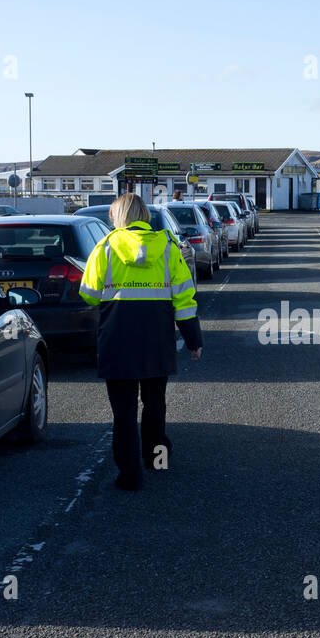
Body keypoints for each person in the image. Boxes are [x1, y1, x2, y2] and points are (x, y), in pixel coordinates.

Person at [79, 193, 203, 491]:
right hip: (156, 341)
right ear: (145, 215)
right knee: (155, 405)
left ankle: (130, 475)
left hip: (117, 340)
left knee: (123, 412)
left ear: (118, 216)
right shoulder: (169, 249)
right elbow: (184, 299)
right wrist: (193, 340)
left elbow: (89, 293)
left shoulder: (105, 248)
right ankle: (157, 460)